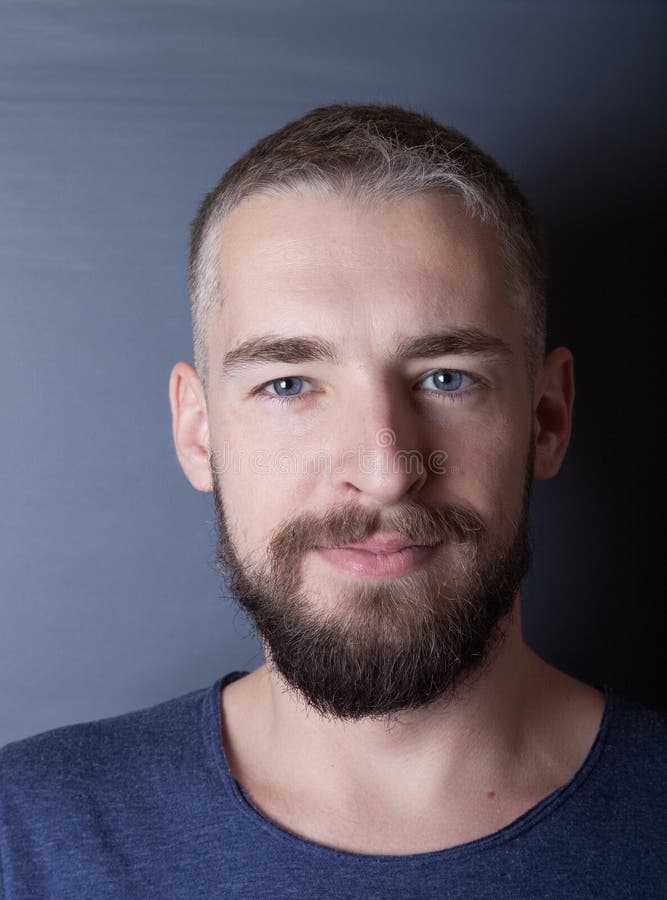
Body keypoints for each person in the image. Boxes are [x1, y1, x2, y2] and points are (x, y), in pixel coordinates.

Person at [0, 103, 664, 899]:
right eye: (288, 384)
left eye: (445, 378)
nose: (384, 472)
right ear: (197, 433)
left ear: (546, 419)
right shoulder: (25, 837)